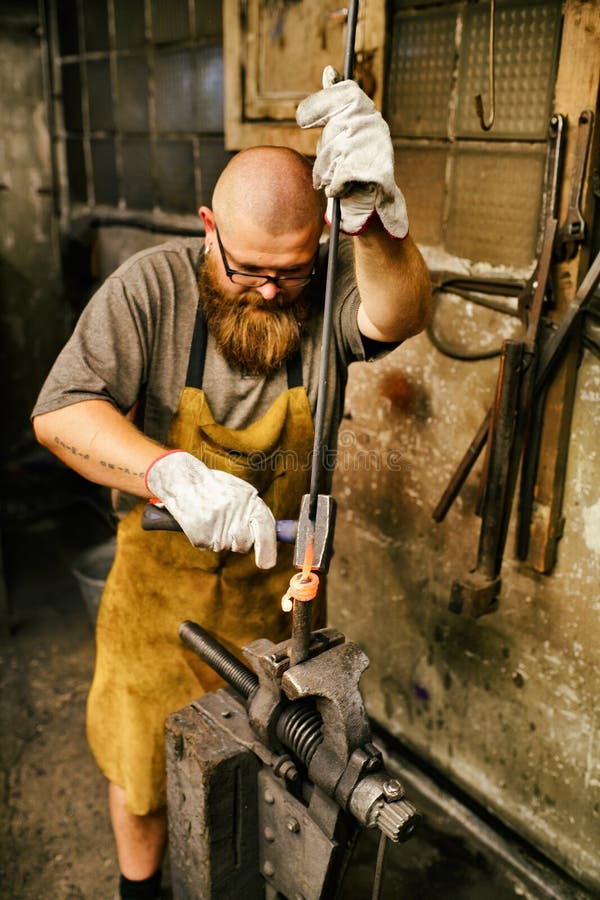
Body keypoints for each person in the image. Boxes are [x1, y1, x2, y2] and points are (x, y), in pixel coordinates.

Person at [32, 69, 431, 900]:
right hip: (155, 609)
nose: (268, 291)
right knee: (140, 776)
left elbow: (399, 313)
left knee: (263, 790)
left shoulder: (322, 296)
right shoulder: (151, 290)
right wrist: (166, 470)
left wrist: (370, 221)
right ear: (208, 229)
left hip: (272, 614)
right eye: (248, 269)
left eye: (288, 273)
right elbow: (60, 412)